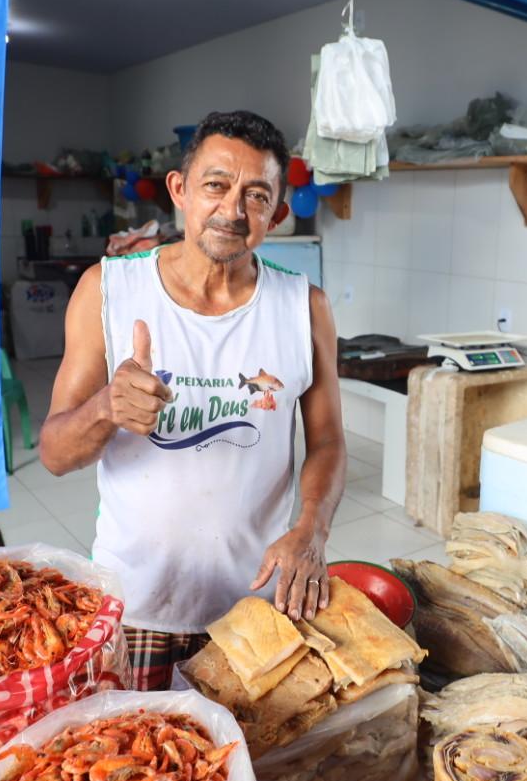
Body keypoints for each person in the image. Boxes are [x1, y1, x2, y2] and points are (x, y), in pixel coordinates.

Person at [38, 110, 346, 689]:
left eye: (256, 196)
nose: (232, 210)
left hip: (256, 604)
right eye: (216, 185)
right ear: (179, 190)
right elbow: (54, 454)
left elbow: (327, 440)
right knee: (141, 767)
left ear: (277, 215)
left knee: (251, 768)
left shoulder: (305, 308)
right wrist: (106, 408)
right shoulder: (107, 289)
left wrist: (312, 529)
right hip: (137, 603)